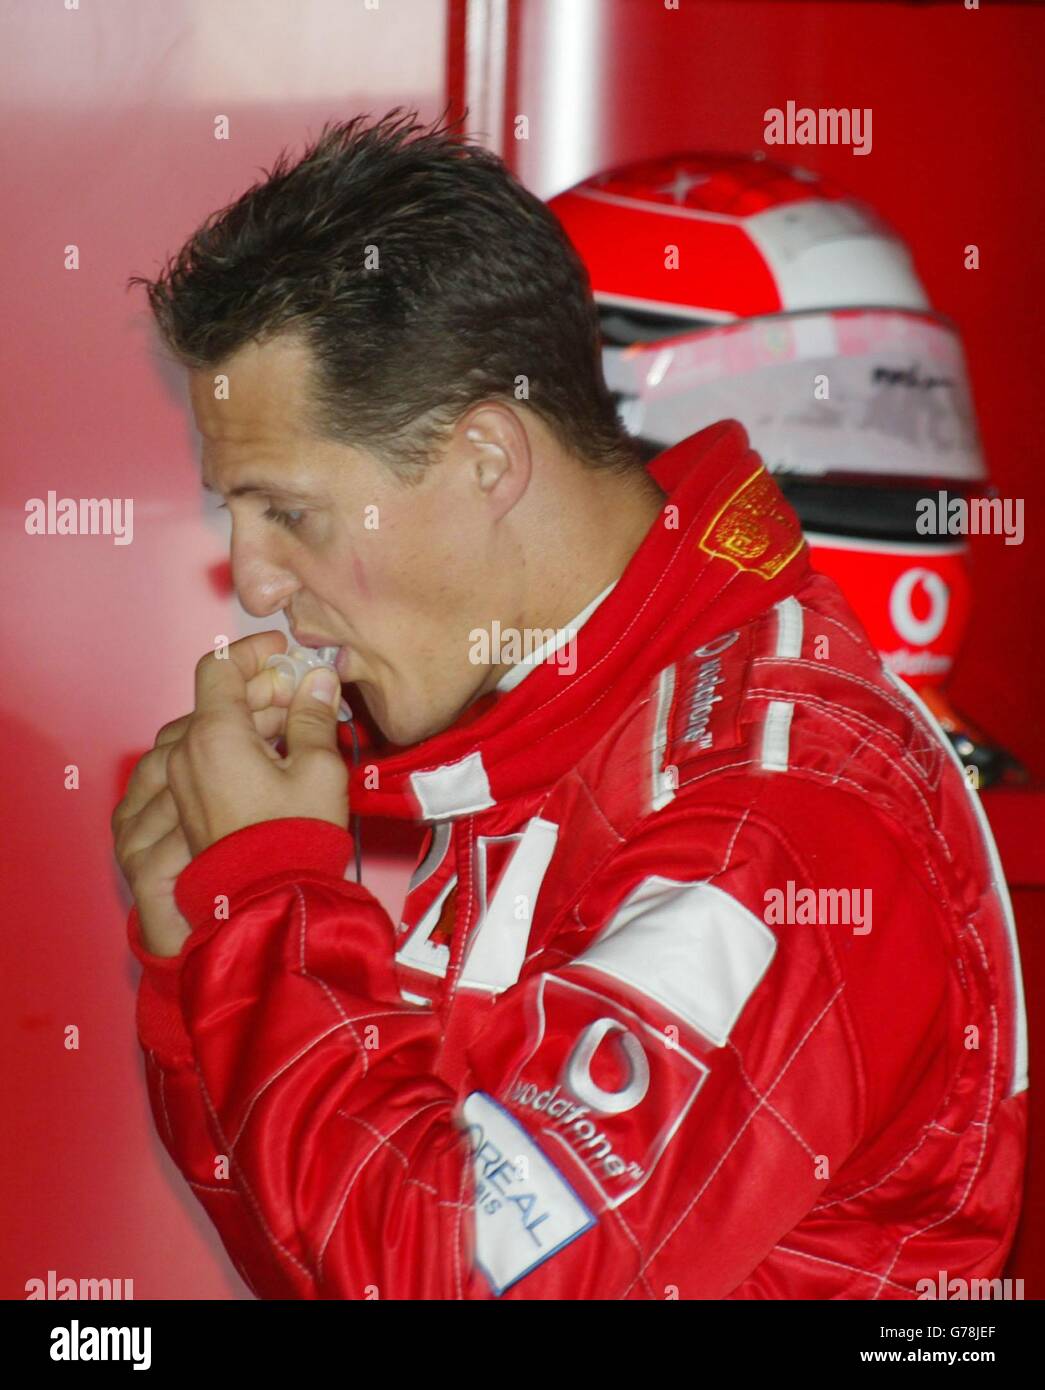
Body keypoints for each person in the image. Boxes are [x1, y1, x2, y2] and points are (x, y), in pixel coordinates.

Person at [113, 107, 1027, 1300]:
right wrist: (207, 970)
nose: (258, 579)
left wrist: (272, 899)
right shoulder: (551, 729)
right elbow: (348, 1252)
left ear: (488, 459)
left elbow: (451, 1280)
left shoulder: (773, 818)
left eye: (290, 512)